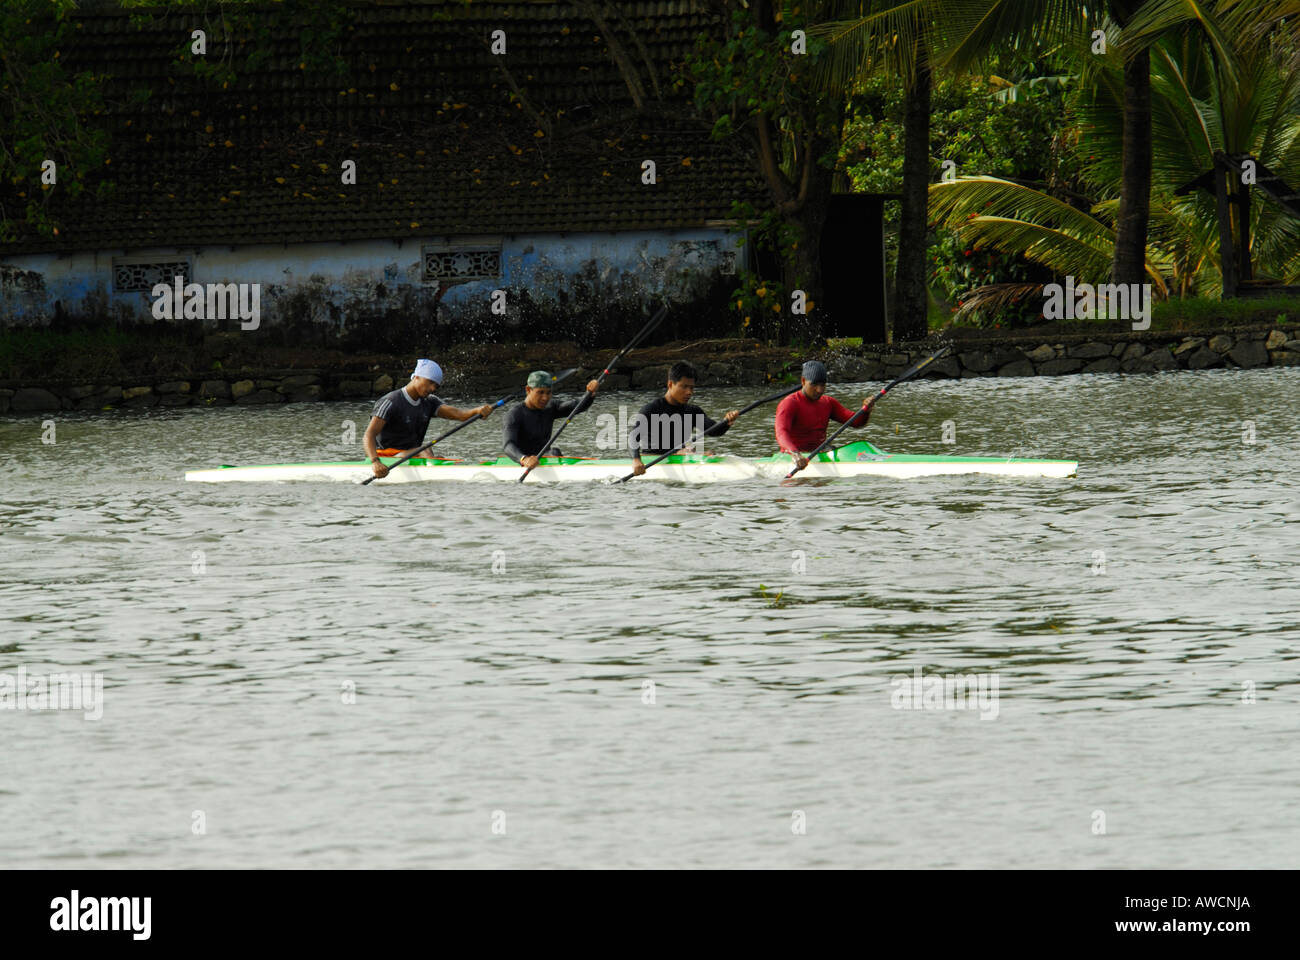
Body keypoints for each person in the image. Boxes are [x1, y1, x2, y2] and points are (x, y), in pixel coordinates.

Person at [364, 359, 493, 479]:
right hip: (386, 457)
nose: (432, 389)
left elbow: (459, 415)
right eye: (430, 382)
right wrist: (375, 462)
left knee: (431, 454)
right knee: (425, 450)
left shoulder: (429, 402)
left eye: (436, 386)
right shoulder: (391, 401)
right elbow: (368, 435)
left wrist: (477, 411)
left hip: (410, 454)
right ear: (417, 377)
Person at [628, 361, 739, 476]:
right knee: (693, 452)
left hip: (681, 455)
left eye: (691, 388)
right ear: (670, 384)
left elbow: (714, 431)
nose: (689, 392)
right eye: (684, 387)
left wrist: (727, 422)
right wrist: (636, 459)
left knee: (709, 453)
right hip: (652, 460)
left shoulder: (692, 411)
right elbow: (633, 437)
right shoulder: (652, 409)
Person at [774, 360, 874, 470]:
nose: (819, 390)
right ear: (803, 381)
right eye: (814, 384)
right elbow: (781, 433)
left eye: (823, 385)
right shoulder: (789, 403)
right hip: (795, 457)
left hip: (820, 454)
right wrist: (795, 454)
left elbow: (856, 422)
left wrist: (865, 410)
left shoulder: (828, 403)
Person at [504, 370, 602, 469]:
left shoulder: (550, 407)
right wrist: (524, 459)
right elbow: (508, 445)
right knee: (554, 453)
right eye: (540, 392)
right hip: (520, 461)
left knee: (555, 452)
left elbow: (577, 406)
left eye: (548, 393)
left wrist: (590, 394)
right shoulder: (514, 414)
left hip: (545, 457)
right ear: (528, 390)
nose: (545, 398)